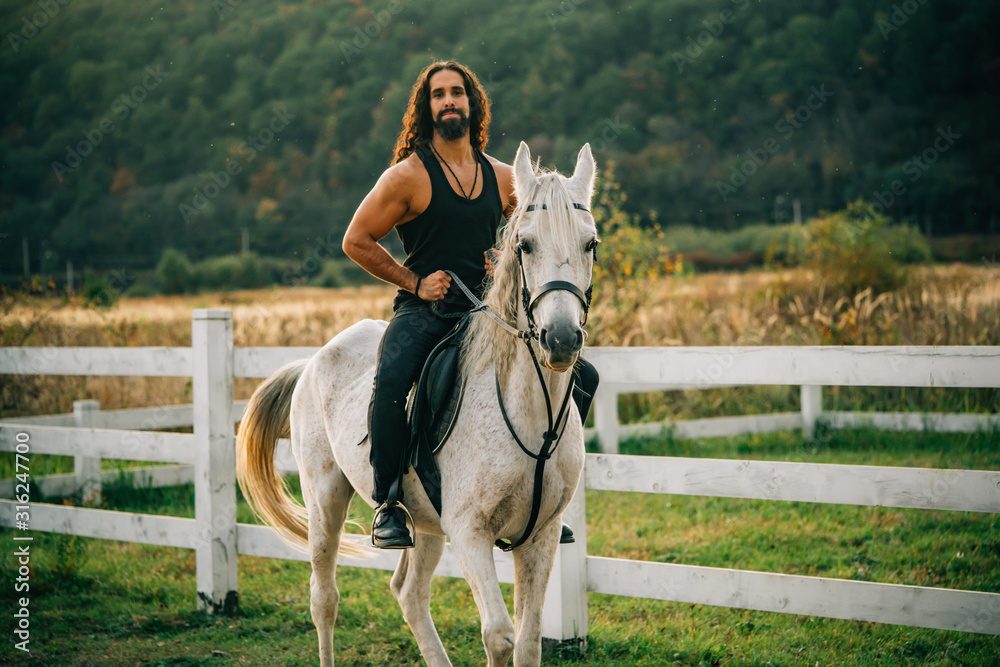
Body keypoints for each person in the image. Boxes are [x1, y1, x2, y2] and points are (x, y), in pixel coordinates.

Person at [342, 60, 598, 549]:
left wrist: (506, 257)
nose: (449, 101)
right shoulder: (406, 177)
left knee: (585, 376)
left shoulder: (502, 177)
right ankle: (389, 502)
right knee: (393, 376)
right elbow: (356, 240)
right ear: (427, 108)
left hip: (489, 313)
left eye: (457, 92)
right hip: (427, 311)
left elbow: (533, 236)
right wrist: (415, 282)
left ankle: (544, 493)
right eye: (438, 94)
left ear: (472, 103)